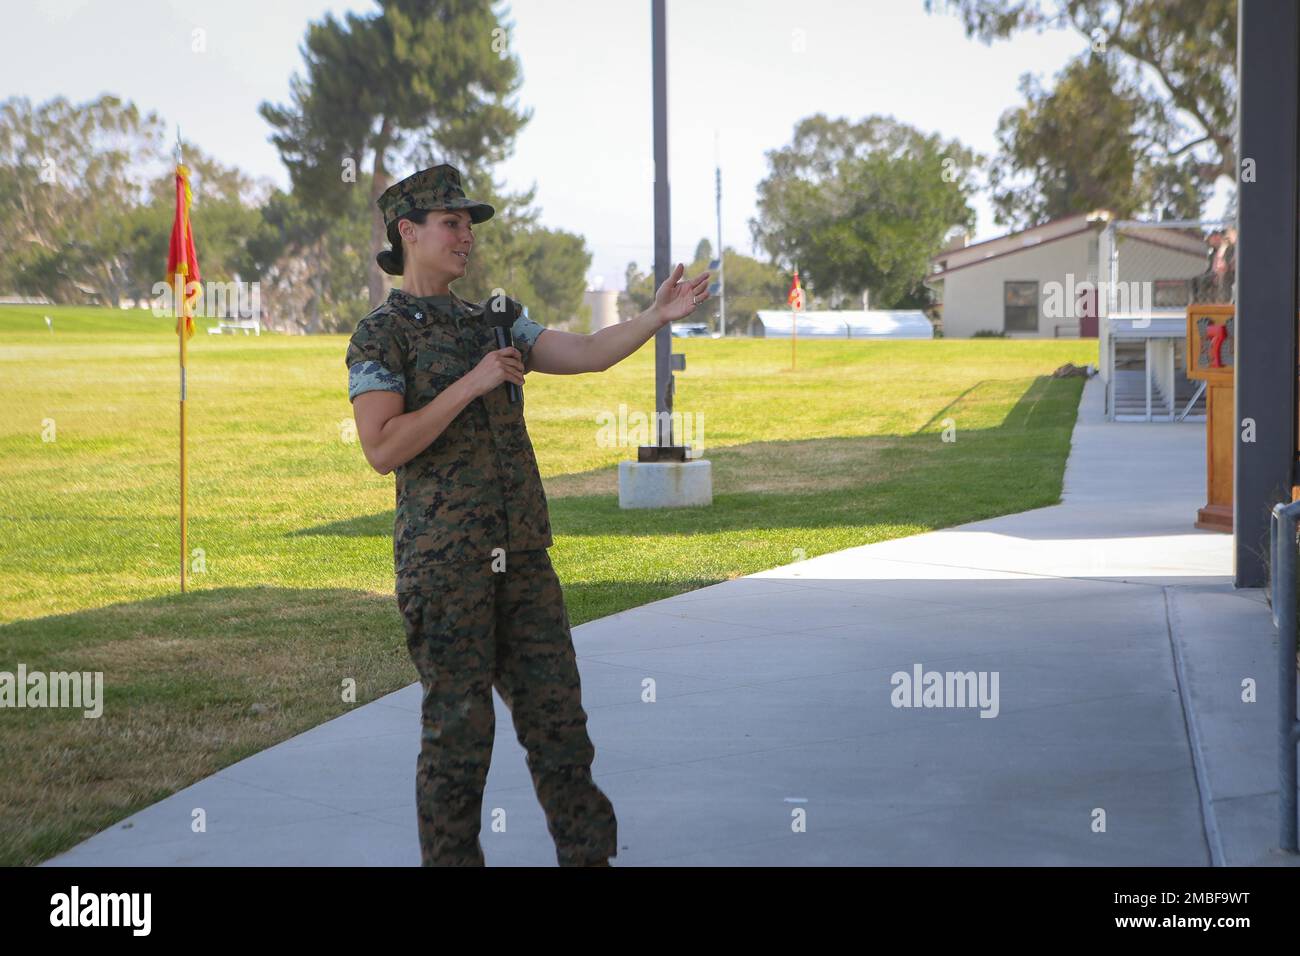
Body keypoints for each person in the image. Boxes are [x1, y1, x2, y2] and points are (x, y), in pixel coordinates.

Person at [345, 163, 710, 866]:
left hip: (524, 564)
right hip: (446, 568)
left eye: (468, 225)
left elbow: (587, 353)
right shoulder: (380, 334)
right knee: (458, 741)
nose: (466, 237)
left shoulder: (499, 320)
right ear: (408, 232)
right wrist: (472, 383)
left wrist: (655, 316)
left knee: (561, 731)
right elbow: (382, 447)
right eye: (451, 223)